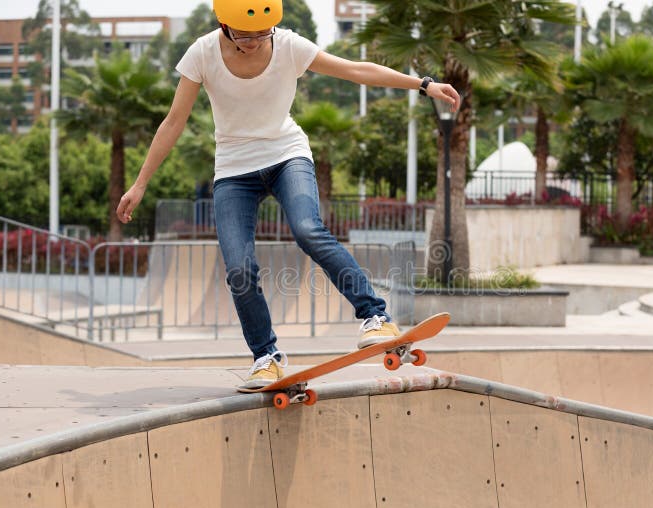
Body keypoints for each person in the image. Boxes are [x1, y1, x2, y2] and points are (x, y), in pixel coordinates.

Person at [116, 0, 460, 389]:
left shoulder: (289, 45)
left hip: (286, 157)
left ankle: (375, 316)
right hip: (233, 171)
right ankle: (266, 356)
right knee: (238, 268)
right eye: (244, 36)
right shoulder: (202, 52)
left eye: (261, 35)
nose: (253, 44)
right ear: (225, 26)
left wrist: (424, 84)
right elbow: (174, 121)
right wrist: (141, 181)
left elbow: (355, 71)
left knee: (308, 229)